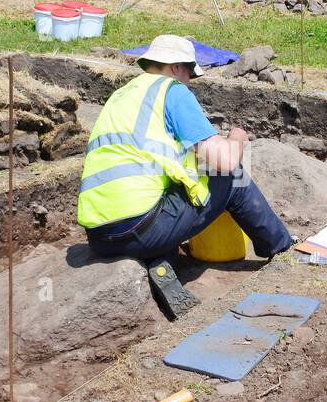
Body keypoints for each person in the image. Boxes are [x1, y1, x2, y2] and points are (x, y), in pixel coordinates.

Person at [78, 34, 293, 317]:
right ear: (178, 67)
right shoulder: (172, 91)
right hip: (141, 228)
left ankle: (160, 261)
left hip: (100, 235)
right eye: (190, 73)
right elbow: (225, 161)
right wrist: (237, 137)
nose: (190, 80)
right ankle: (282, 250)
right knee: (231, 177)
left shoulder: (121, 95)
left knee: (167, 195)